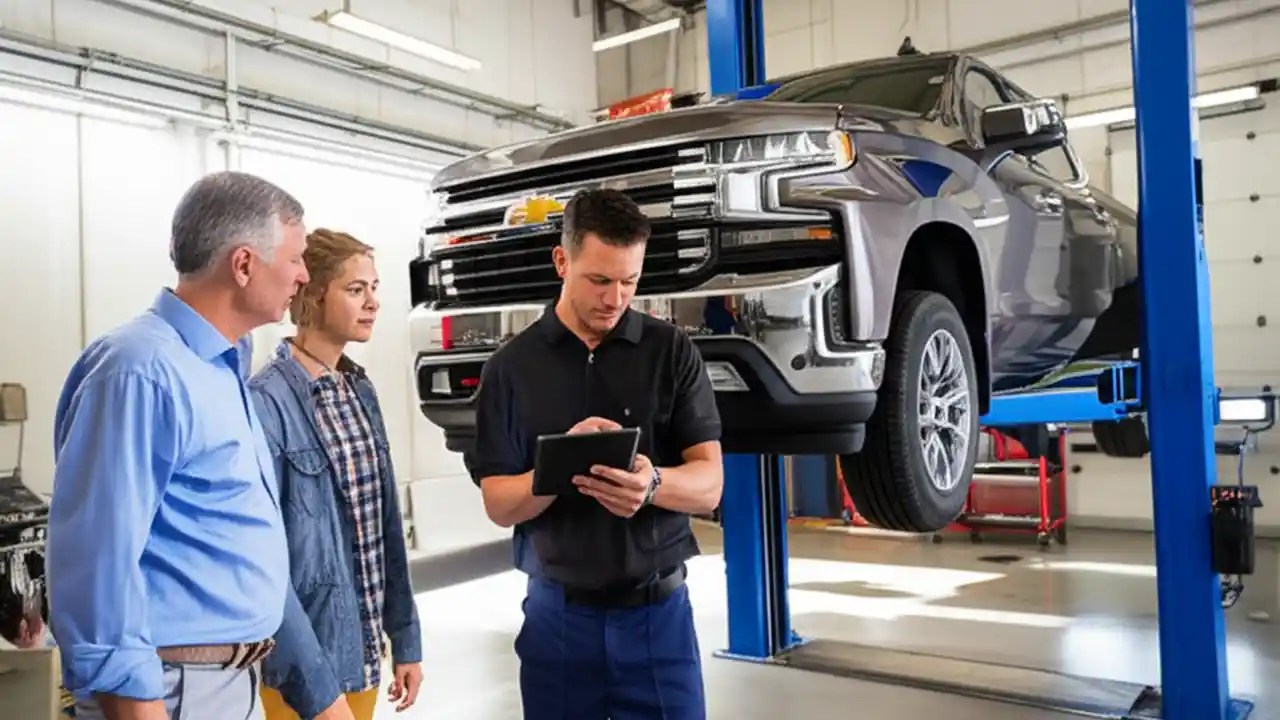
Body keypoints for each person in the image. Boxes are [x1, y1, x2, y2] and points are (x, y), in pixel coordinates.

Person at [46, 171, 309, 720]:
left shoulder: (222, 366)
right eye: (295, 259)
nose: (303, 276)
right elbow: (97, 565)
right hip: (169, 694)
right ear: (243, 265)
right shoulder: (140, 372)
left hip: (230, 683)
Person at [466, 188, 725, 719]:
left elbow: (710, 483)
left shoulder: (671, 352)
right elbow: (498, 503)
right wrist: (557, 471)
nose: (615, 298)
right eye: (600, 281)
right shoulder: (510, 370)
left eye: (630, 281)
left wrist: (652, 484)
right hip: (558, 622)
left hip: (659, 621)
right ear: (562, 260)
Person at [248, 229, 422, 720]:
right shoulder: (266, 402)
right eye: (356, 289)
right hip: (304, 670)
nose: (373, 303)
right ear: (313, 292)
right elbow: (267, 561)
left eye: (375, 288)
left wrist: (405, 638)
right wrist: (314, 685)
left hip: (360, 654)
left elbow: (384, 530)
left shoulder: (357, 390)